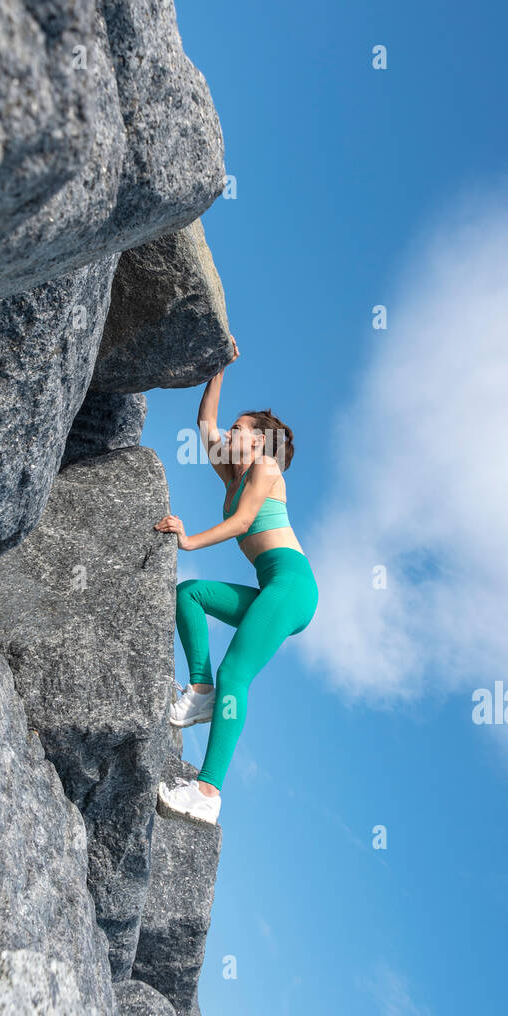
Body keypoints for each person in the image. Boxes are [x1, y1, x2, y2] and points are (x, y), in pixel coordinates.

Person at [153, 337, 319, 825]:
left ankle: (208, 792)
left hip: (292, 587)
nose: (230, 431)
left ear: (260, 441)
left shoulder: (266, 467)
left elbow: (244, 523)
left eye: (241, 428)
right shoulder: (231, 474)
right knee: (191, 594)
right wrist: (218, 369)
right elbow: (204, 422)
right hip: (274, 588)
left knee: (238, 675)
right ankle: (200, 690)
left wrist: (189, 540)